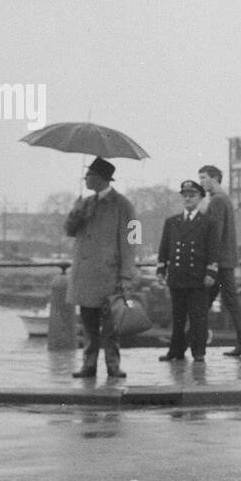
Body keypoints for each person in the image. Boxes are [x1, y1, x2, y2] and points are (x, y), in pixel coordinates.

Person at [63, 156, 138, 380]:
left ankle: (113, 366)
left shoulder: (124, 205)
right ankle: (89, 365)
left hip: (109, 275)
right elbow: (69, 230)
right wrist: (75, 213)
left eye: (90, 175)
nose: (86, 179)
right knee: (88, 325)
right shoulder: (85, 203)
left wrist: (126, 275)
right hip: (86, 277)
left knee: (111, 326)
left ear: (101, 178)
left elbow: (132, 240)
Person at [156, 180, 221, 365]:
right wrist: (161, 268)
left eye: (192, 196)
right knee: (177, 317)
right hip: (177, 277)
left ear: (200, 198)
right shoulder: (172, 222)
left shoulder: (208, 222)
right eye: (185, 195)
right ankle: (175, 351)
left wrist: (211, 272)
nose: (188, 199)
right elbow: (164, 247)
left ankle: (198, 352)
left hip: (197, 278)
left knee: (198, 317)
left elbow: (213, 250)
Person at [198, 165, 241, 358]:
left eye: (204, 178)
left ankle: (188, 343)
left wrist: (211, 263)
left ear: (214, 179)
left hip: (219, 263)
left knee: (203, 304)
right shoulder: (224, 200)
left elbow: (215, 233)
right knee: (227, 302)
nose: (201, 182)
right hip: (226, 261)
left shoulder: (217, 201)